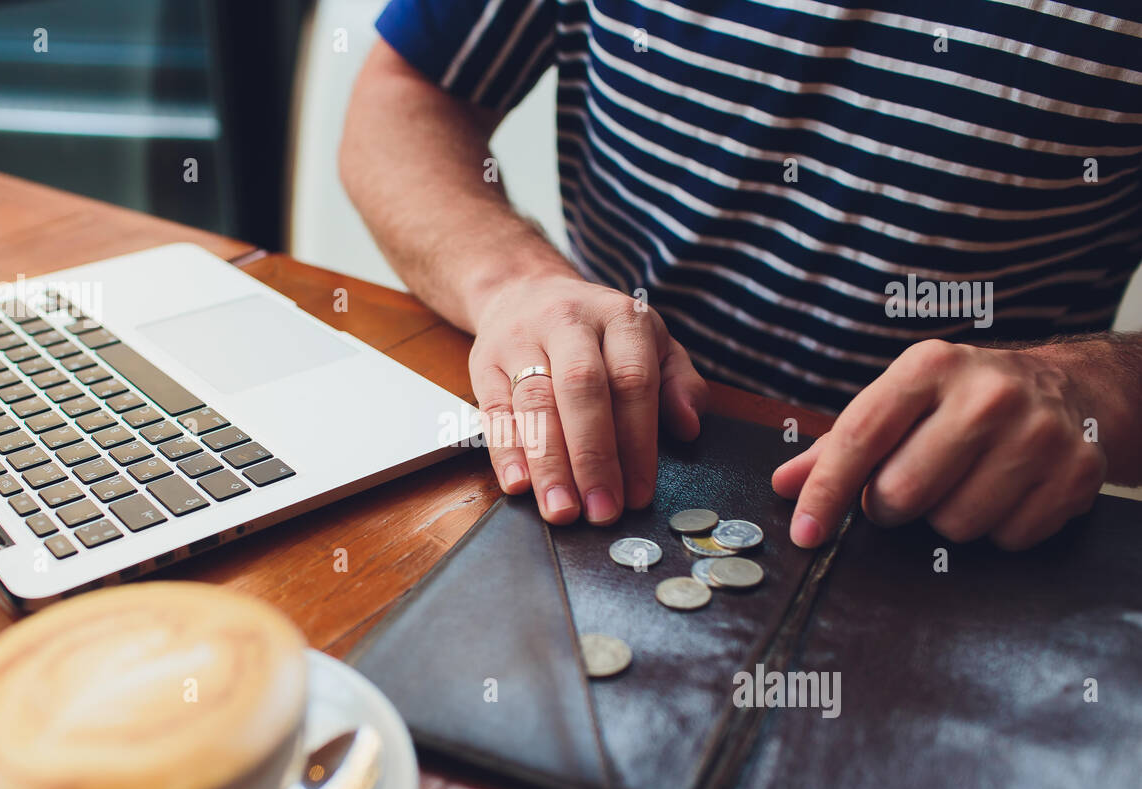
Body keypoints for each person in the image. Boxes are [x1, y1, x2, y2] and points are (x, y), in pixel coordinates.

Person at [340, 0, 1142, 551]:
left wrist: (1086, 389)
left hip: (966, 535)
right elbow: (405, 96)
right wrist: (516, 283)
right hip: (604, 462)